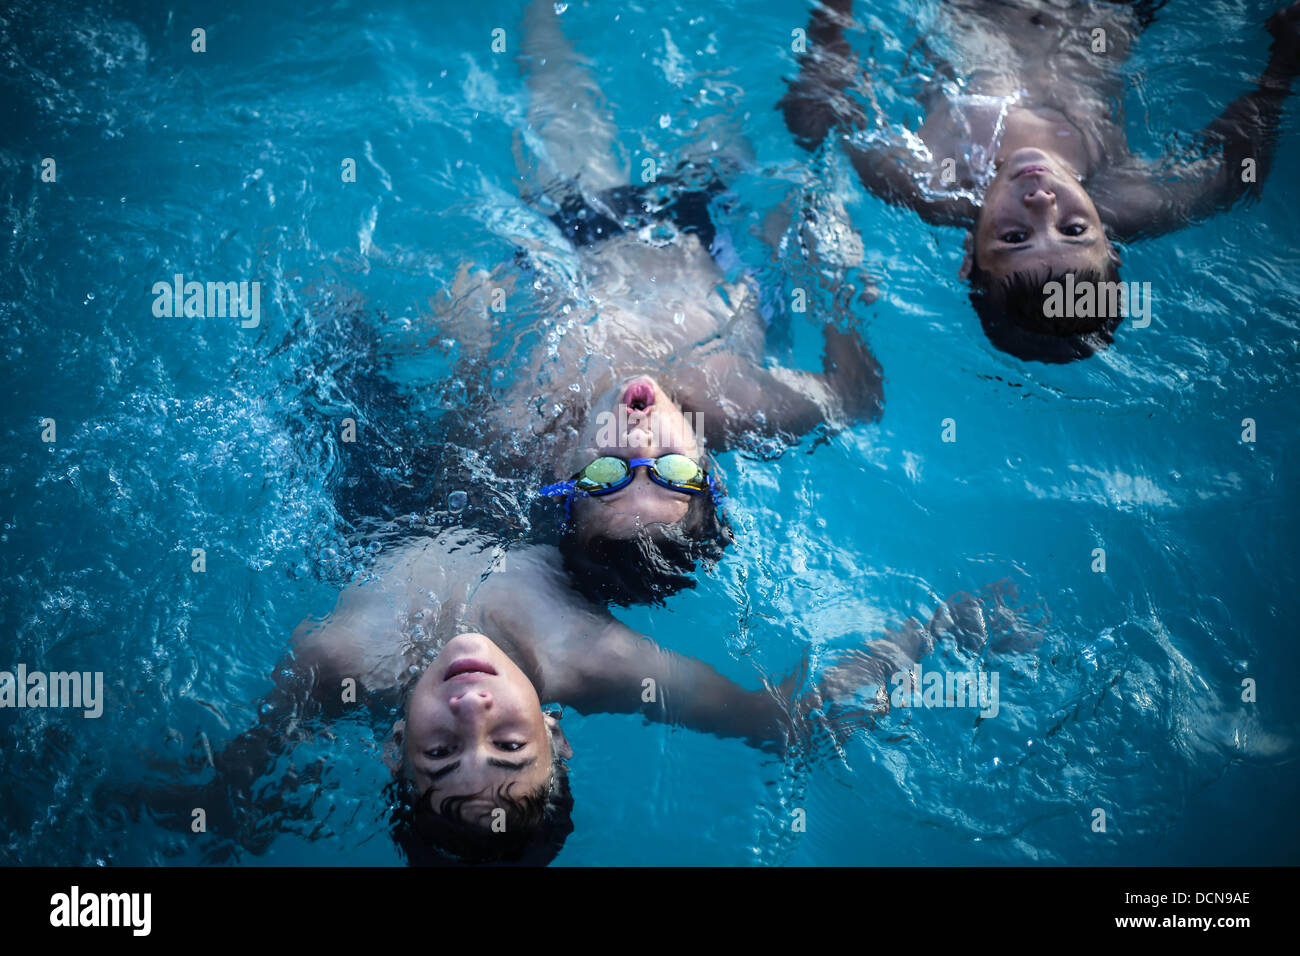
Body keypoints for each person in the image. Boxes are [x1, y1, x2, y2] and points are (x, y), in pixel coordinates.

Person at [122, 527, 1026, 865]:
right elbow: (788, 725)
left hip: (376, 495)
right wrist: (937, 634)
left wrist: (216, 801)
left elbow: (237, 778)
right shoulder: (594, 661)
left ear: (390, 749)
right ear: (557, 733)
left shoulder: (333, 667)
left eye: (441, 754)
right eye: (509, 750)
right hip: (529, 497)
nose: (474, 717)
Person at [424, 0, 885, 605]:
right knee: (714, 84)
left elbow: (455, 445)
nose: (639, 442)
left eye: (607, 476)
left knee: (555, 83)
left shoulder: (522, 430)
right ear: (707, 472)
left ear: (565, 473)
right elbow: (858, 399)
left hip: (573, 231)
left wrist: (467, 342)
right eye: (672, 472)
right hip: (709, 227)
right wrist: (835, 285)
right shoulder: (743, 405)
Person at [780, 0, 1300, 361]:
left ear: (969, 256)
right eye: (1075, 230)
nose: (1041, 201)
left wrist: (833, 15)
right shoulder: (1127, 199)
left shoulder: (920, 179)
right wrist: (1283, 65)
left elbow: (818, 112)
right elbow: (1234, 176)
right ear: (1112, 247)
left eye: (1014, 238)